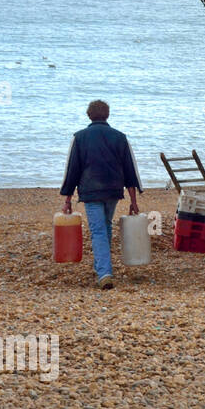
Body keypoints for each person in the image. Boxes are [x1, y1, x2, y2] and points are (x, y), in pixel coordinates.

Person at [59, 100, 143, 289]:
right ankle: (102, 267)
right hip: (113, 190)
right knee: (104, 227)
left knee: (98, 231)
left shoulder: (80, 137)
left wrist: (67, 199)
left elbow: (73, 170)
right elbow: (130, 170)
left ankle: (105, 273)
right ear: (107, 115)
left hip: (91, 191)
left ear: (89, 115)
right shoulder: (120, 137)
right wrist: (133, 200)